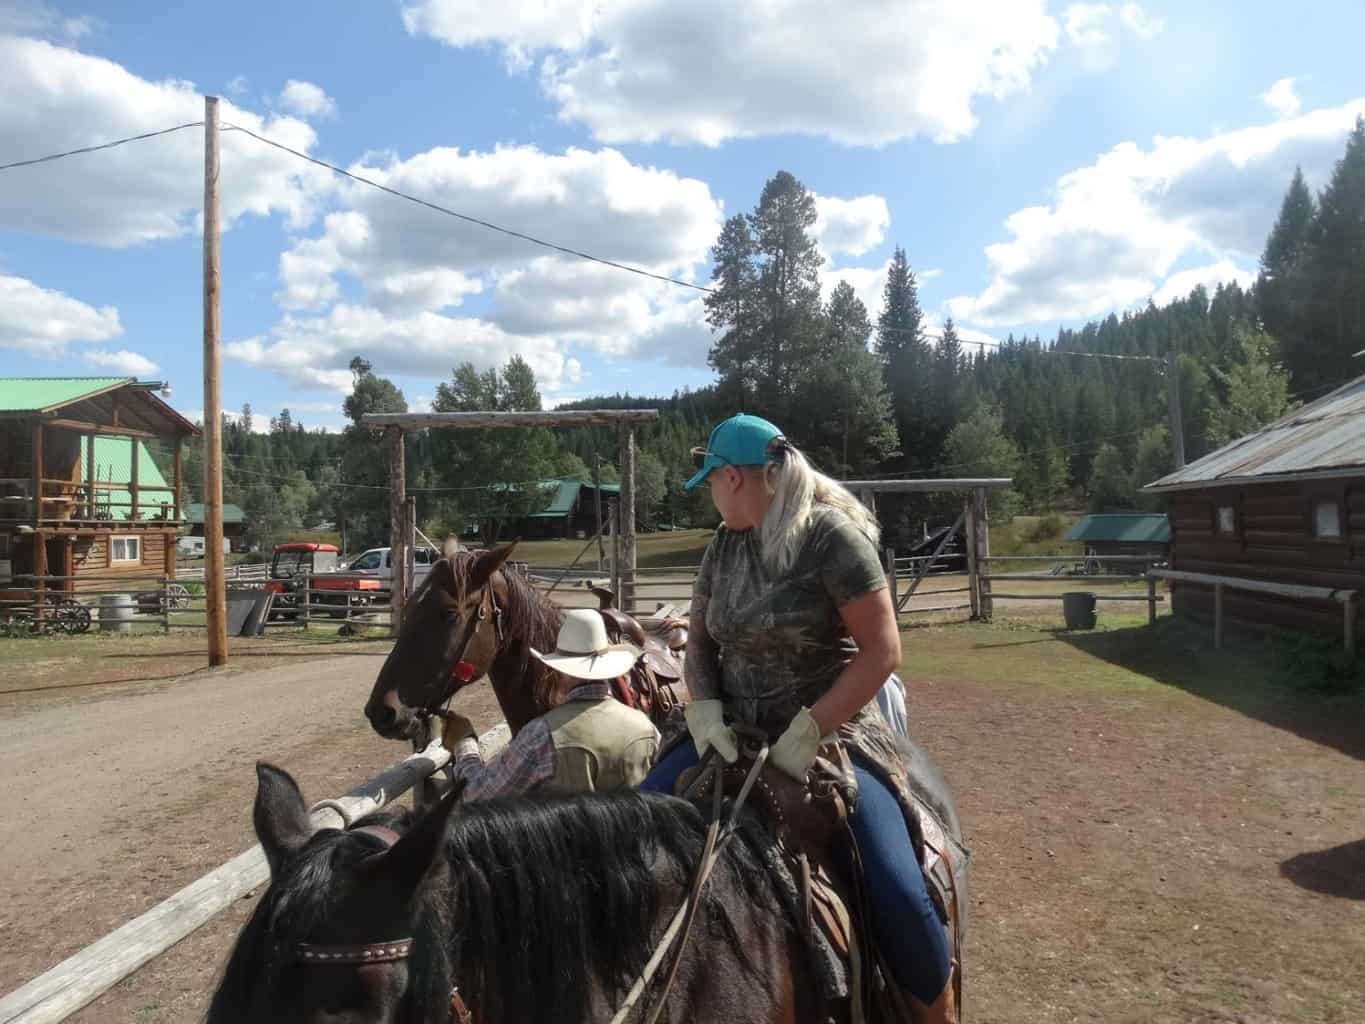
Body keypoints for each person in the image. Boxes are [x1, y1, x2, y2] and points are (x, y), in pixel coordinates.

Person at [641, 413, 955, 1024]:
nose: (711, 494)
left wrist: (809, 730)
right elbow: (699, 642)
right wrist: (704, 713)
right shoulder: (724, 544)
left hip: (831, 734)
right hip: (729, 732)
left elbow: (882, 651)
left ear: (733, 477)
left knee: (896, 889)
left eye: (711, 482)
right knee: (630, 834)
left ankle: (935, 1011)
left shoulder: (832, 539)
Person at [441, 609, 660, 797]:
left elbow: (479, 794)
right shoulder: (647, 729)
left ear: (561, 671)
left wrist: (465, 744)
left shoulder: (542, 735)